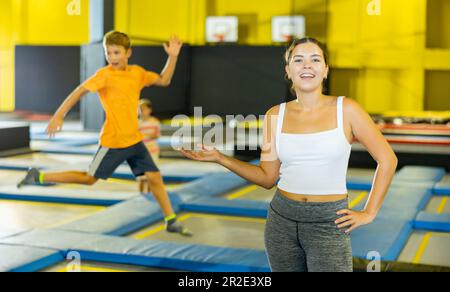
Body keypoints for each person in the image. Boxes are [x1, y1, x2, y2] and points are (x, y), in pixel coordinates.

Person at [180, 37, 398, 271]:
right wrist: (220, 158)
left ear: (325, 70)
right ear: (288, 70)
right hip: (281, 220)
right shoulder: (275, 115)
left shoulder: (347, 109)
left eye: (315, 59)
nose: (307, 65)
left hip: (328, 221)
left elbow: (387, 160)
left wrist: (368, 212)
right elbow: (267, 177)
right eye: (299, 60)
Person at [18, 31, 192, 237]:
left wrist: (173, 56)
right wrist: (58, 116)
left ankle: (170, 220)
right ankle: (38, 176)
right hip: (113, 142)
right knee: (89, 179)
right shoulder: (104, 75)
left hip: (134, 140)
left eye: (116, 52)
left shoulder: (137, 73)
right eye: (108, 53)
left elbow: (164, 80)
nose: (112, 57)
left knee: (155, 177)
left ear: (129, 53)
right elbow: (79, 91)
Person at [138, 99, 161, 194]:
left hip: (152, 151)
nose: (143, 111)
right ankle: (141, 194)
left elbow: (157, 135)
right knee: (141, 177)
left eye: (145, 109)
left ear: (149, 110)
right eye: (140, 109)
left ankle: (149, 193)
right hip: (140, 152)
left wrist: (147, 136)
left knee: (151, 176)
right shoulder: (136, 123)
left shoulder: (154, 122)